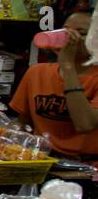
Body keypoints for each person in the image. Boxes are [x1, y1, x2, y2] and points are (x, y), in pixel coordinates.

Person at [10, 10, 98, 158]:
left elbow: (85, 124)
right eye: (66, 30)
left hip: (85, 167)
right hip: (40, 158)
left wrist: (68, 66)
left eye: (80, 33)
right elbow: (22, 123)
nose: (68, 38)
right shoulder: (36, 72)